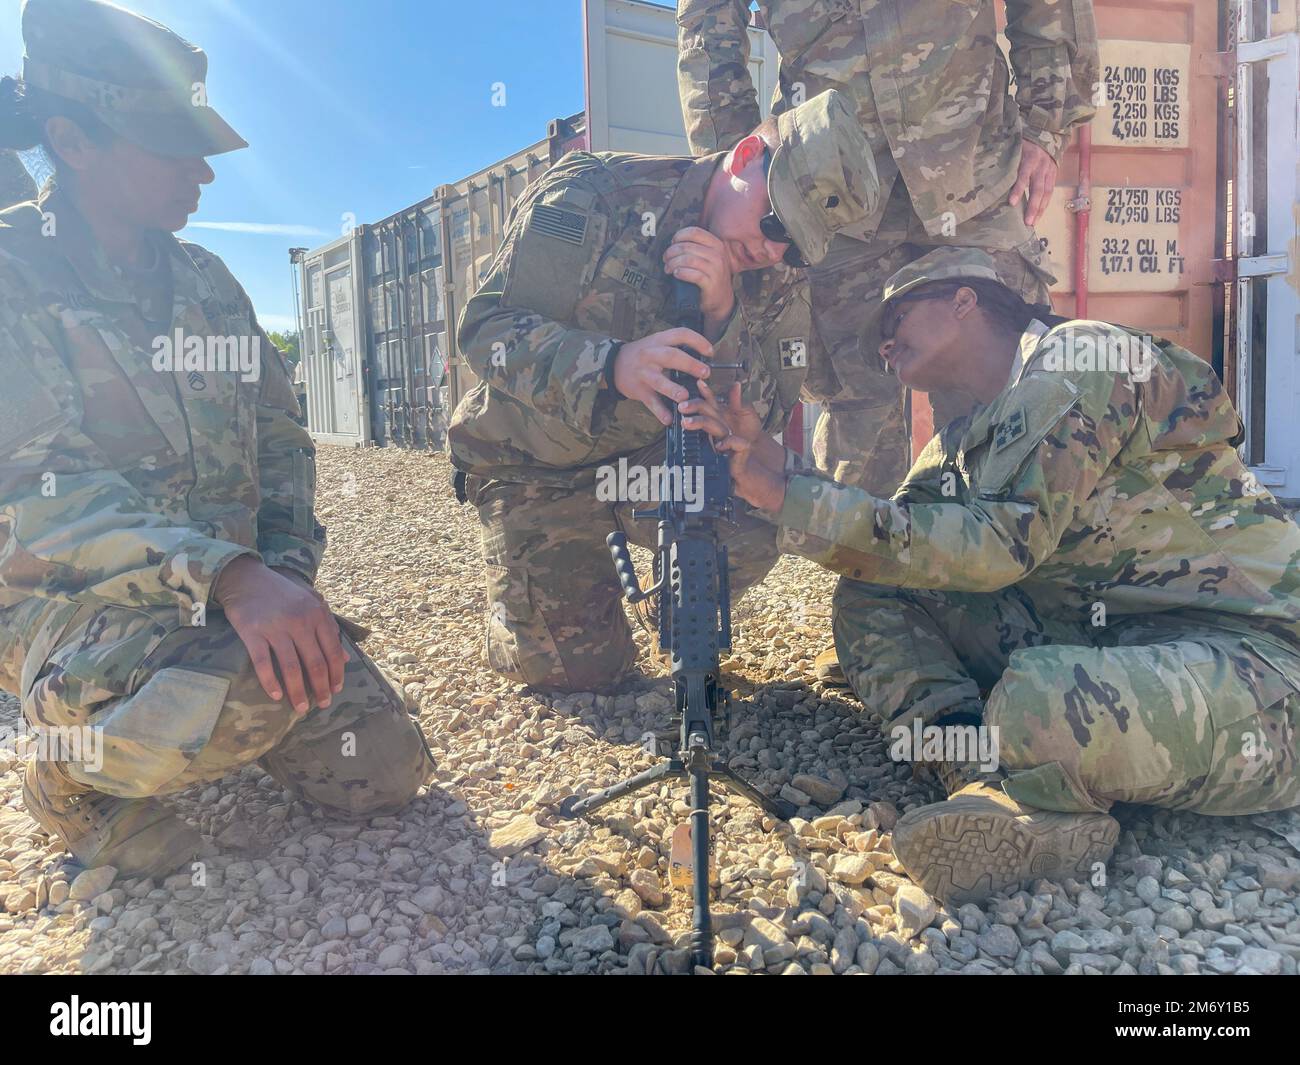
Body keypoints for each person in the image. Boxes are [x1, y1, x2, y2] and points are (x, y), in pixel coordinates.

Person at [678, 247, 1300, 903]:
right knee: (875, 590)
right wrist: (779, 469)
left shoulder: (1081, 359)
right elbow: (900, 542)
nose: (883, 342)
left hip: (1255, 662)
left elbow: (1000, 545)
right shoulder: (962, 437)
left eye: (897, 315)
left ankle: (1040, 785)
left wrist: (787, 497)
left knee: (1040, 699)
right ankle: (976, 769)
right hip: (1110, 645)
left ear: (965, 299)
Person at [0, 0, 434, 879]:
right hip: (75, 611)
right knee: (236, 675)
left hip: (230, 599)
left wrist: (285, 578)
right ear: (72, 141)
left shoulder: (207, 281)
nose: (201, 170)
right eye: (169, 142)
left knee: (384, 773)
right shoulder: (15, 275)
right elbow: (41, 499)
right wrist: (230, 577)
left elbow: (280, 442)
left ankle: (204, 711)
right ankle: (66, 773)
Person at [677, 0, 1099, 683]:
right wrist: (741, 156)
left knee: (1004, 387)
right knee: (860, 402)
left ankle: (1020, 612)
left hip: (971, 158)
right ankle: (873, 615)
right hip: (831, 183)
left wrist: (1046, 125)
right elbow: (708, 18)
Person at [448, 89, 878, 694]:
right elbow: (487, 332)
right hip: (534, 463)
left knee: (755, 518)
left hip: (651, 458)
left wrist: (722, 314)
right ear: (745, 154)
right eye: (776, 220)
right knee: (581, 675)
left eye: (797, 244)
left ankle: (668, 606)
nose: (772, 249)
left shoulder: (776, 273)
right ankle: (522, 596)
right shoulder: (595, 193)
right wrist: (611, 365)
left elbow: (767, 414)